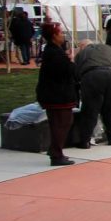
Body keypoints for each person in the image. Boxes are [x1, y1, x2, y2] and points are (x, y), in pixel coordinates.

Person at [35, 23, 77, 166]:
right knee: (61, 124)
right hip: (57, 96)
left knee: (61, 123)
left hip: (55, 94)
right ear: (54, 36)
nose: (63, 35)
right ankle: (56, 153)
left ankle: (55, 149)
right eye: (60, 33)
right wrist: (71, 61)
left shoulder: (53, 51)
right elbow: (66, 72)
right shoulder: (55, 54)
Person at [73, 40, 111, 148]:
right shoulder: (110, 48)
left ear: (82, 46)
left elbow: (76, 71)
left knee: (90, 110)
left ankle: (85, 141)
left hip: (92, 76)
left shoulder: (82, 53)